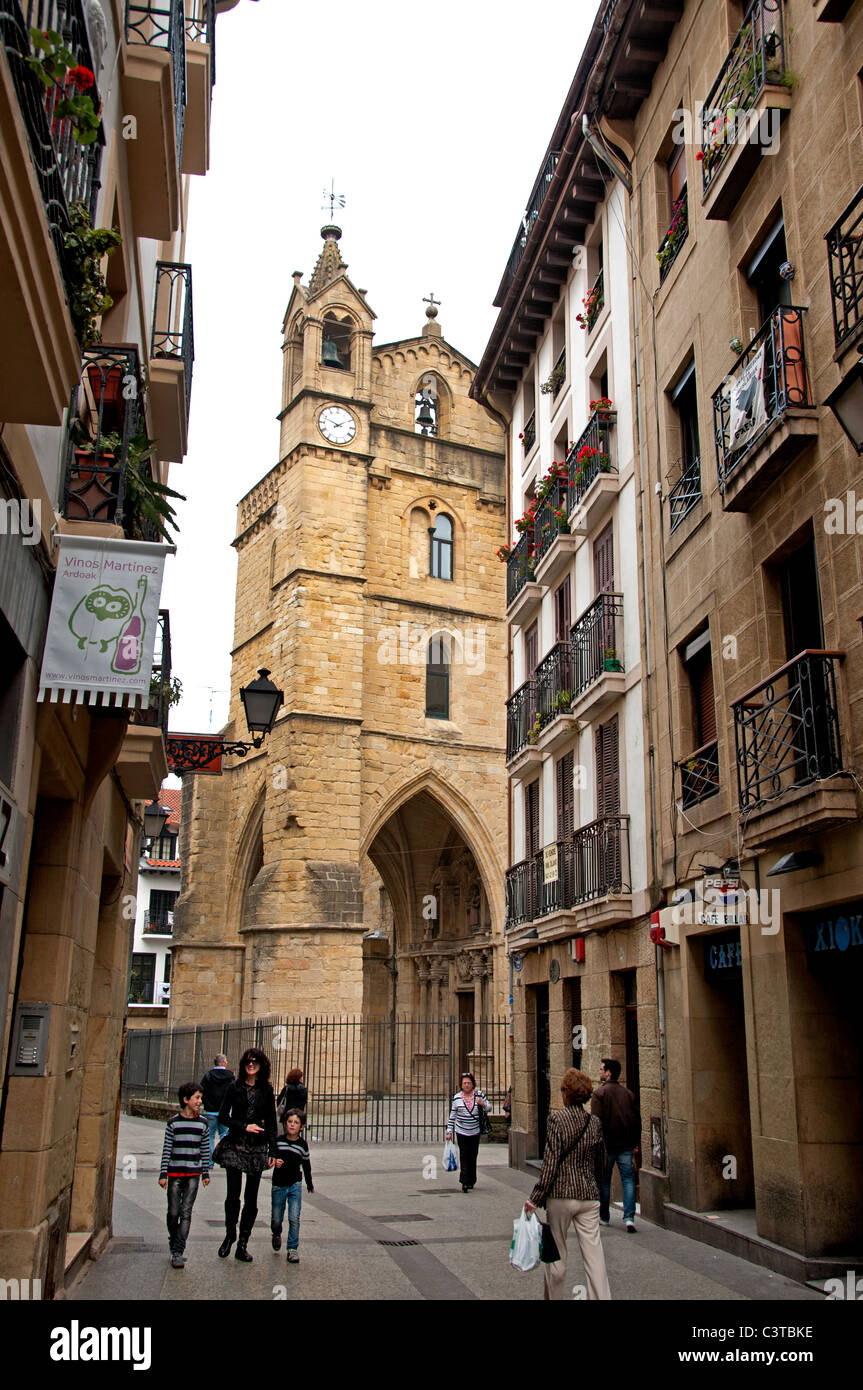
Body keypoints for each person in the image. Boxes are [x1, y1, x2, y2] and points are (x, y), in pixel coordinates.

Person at [524, 1067, 611, 1301]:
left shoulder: (557, 1120)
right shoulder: (594, 1123)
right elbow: (600, 1163)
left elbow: (550, 1163)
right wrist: (596, 1185)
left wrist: (535, 1198)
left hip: (561, 1196)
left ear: (565, 1093)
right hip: (588, 1196)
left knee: (556, 1256)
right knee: (594, 1256)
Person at [214, 1047, 277, 1262]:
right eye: (248, 1061)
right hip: (235, 1145)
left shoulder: (267, 1090)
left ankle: (243, 1243)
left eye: (255, 1061)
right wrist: (243, 1126)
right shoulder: (234, 1087)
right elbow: (223, 1117)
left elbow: (271, 1122)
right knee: (233, 1195)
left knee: (251, 1198)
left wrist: (273, 1150)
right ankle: (230, 1234)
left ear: (262, 1065)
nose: (251, 1064)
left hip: (258, 1148)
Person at [159, 1081, 210, 1269]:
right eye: (197, 1098)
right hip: (174, 1172)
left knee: (186, 1212)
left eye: (201, 1098)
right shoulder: (173, 1123)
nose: (200, 1101)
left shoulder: (203, 1123)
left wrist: (205, 1172)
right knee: (173, 1212)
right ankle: (174, 1238)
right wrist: (163, 1174)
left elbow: (205, 1150)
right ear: (186, 1100)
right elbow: (167, 1150)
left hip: (193, 1174)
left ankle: (178, 1251)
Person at [591, 1057, 641, 1233]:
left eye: (601, 1069)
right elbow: (636, 1120)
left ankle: (604, 1216)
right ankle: (629, 1218)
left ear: (608, 1072)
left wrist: (596, 1144)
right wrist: (635, 1142)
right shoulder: (628, 1094)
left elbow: (596, 1122)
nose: (599, 1071)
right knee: (628, 1179)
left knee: (605, 1181)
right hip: (626, 1144)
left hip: (607, 1145)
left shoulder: (599, 1094)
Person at [270, 1108, 314, 1263]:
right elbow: (271, 1158)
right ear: (285, 1123)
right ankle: (276, 1234)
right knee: (276, 1218)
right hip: (278, 1184)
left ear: (301, 1127)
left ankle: (292, 1248)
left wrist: (309, 1183)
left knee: (294, 1217)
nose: (292, 1125)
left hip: (295, 1183)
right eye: (290, 1122)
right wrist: (275, 1161)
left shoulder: (303, 1145)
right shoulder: (278, 1141)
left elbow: (306, 1165)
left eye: (296, 1123)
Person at [445, 1072, 490, 1192]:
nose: (466, 1085)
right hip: (461, 1131)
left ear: (472, 1084)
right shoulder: (457, 1098)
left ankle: (471, 1179)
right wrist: (449, 1131)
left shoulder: (479, 1095)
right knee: (464, 1155)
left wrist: (483, 1104)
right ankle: (464, 1181)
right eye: (464, 1083)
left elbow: (489, 1108)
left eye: (469, 1083)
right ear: (461, 1085)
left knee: (473, 1155)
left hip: (475, 1131)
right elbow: (452, 1115)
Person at [199, 1053, 235, 1157]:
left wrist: (206, 1102)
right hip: (224, 1110)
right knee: (224, 1135)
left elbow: (202, 1090)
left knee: (210, 1136)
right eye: (226, 1061)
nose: (227, 1062)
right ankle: (223, 1157)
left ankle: (209, 1161)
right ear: (223, 1062)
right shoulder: (230, 1076)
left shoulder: (208, 1075)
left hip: (210, 1110)